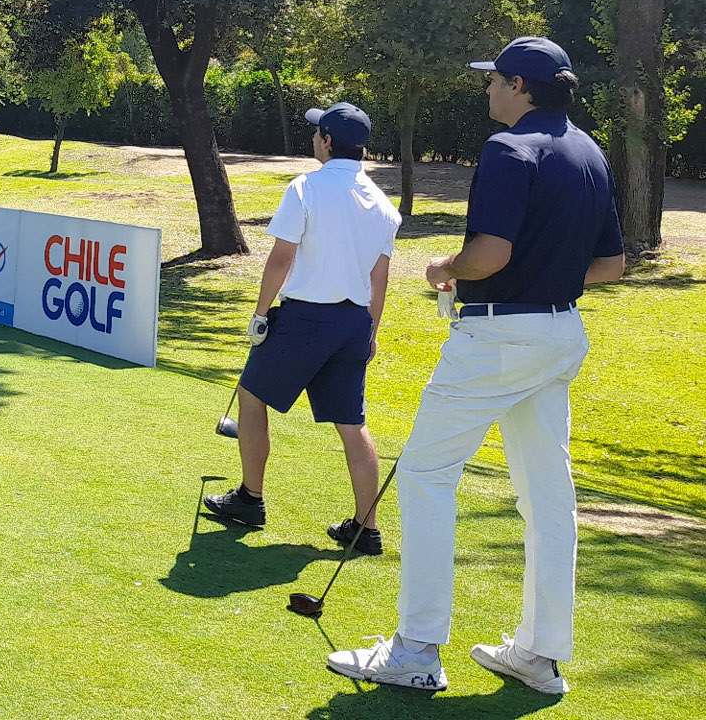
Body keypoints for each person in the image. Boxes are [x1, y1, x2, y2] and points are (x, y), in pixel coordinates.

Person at [329, 37, 625, 695]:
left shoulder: (506, 148)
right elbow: (611, 266)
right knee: (547, 495)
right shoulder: (588, 151)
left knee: (428, 476)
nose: (487, 89)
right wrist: (543, 267)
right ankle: (539, 654)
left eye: (494, 80)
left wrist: (444, 269)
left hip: (498, 338)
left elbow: (487, 255)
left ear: (519, 86)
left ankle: (415, 650)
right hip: (558, 336)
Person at [203, 103, 400, 555]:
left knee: (251, 396)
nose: (314, 139)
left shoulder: (306, 186)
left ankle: (250, 499)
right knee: (352, 423)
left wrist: (259, 313)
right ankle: (365, 528)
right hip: (352, 323)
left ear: (327, 141)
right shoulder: (383, 205)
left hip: (306, 317)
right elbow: (379, 279)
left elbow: (282, 257)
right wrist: (370, 332)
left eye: (317, 133)